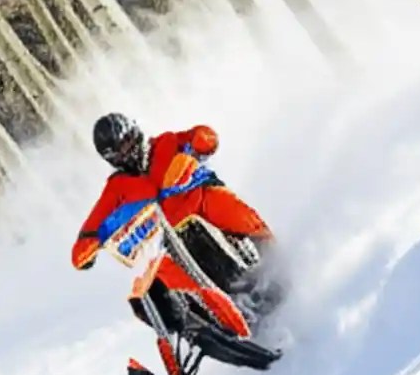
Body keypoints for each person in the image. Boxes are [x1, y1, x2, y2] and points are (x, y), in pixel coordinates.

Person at [71, 113, 272, 273]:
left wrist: (193, 150)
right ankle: (189, 314)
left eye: (129, 142)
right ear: (111, 158)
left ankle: (271, 252)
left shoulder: (167, 143)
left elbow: (205, 135)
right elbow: (93, 226)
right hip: (172, 238)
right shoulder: (117, 187)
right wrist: (87, 247)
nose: (128, 151)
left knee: (222, 203)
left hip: (202, 205)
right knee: (159, 274)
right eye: (119, 151)